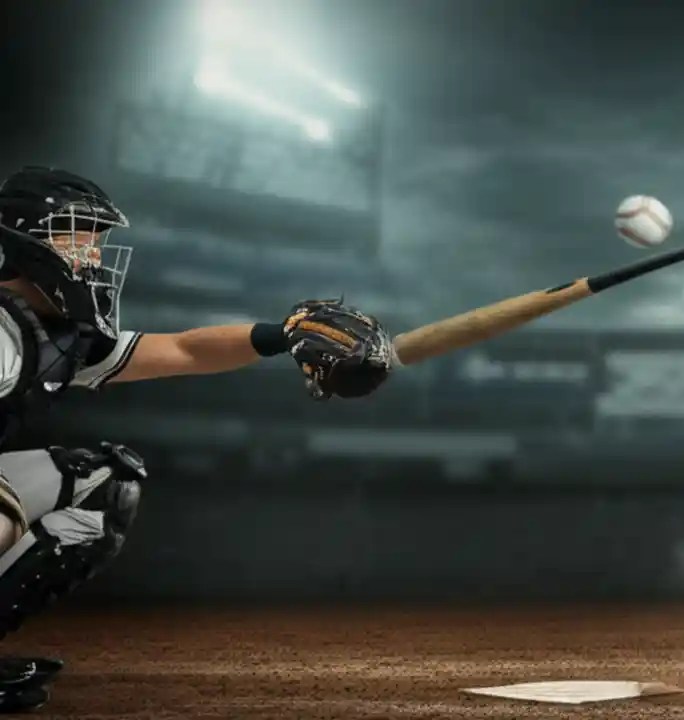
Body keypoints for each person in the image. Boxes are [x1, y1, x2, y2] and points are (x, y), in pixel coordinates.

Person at [0, 165, 395, 712]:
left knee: (101, 485)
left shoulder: (55, 334)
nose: (93, 254)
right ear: (27, 240)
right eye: (76, 236)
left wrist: (283, 336)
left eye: (96, 239)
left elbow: (184, 349)